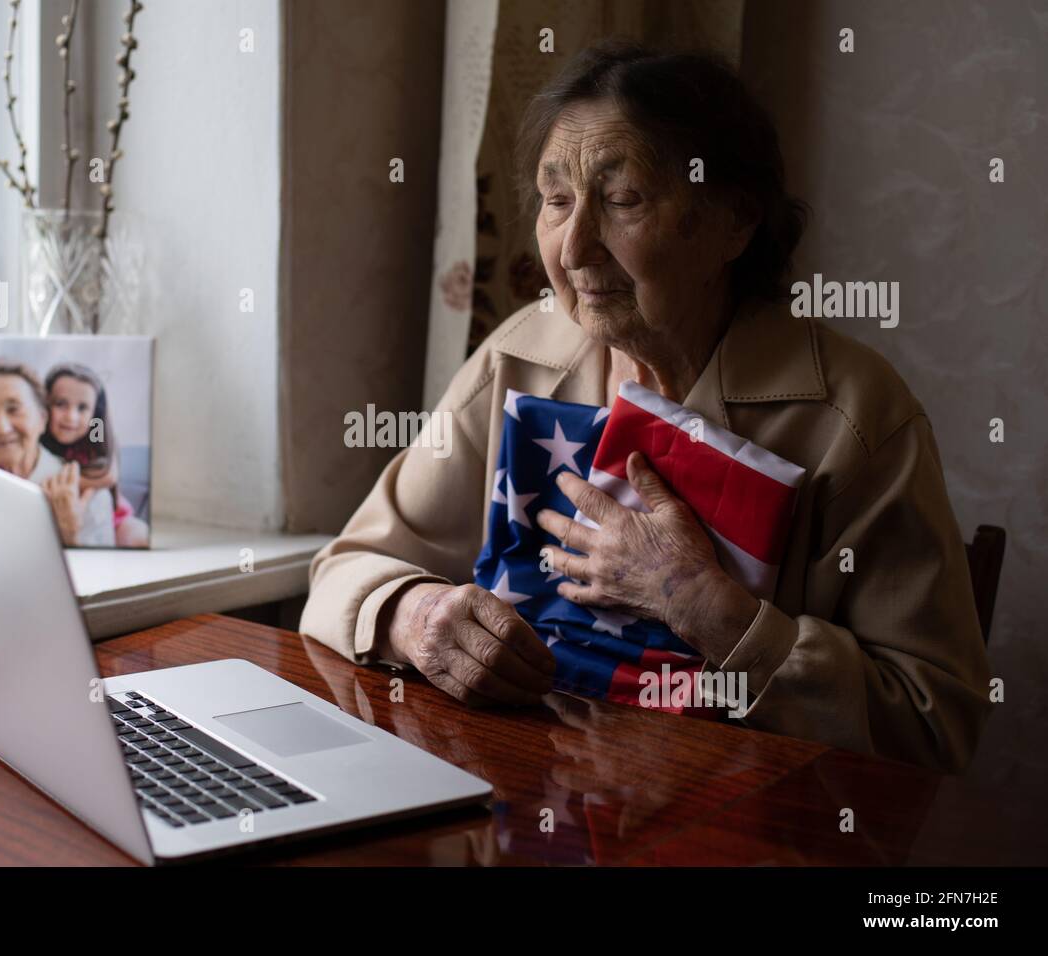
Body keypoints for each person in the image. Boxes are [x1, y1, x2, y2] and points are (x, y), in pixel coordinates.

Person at [299, 42, 992, 773]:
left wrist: (703, 606)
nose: (572, 249)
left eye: (623, 200)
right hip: (525, 798)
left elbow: (933, 726)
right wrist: (417, 617)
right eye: (556, 201)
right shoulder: (522, 355)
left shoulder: (854, 414)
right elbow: (347, 568)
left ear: (736, 220)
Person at [0, 358, 114, 547]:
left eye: (14, 410)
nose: (1, 428)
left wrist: (69, 534)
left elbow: (100, 574)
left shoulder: (87, 496)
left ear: (42, 419)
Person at [41, 363, 150, 548]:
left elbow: (107, 476)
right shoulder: (38, 438)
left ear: (95, 414)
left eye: (82, 408)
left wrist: (50, 483)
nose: (71, 417)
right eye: (60, 404)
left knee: (138, 535)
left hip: (114, 517)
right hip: (65, 518)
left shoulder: (95, 436)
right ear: (44, 405)